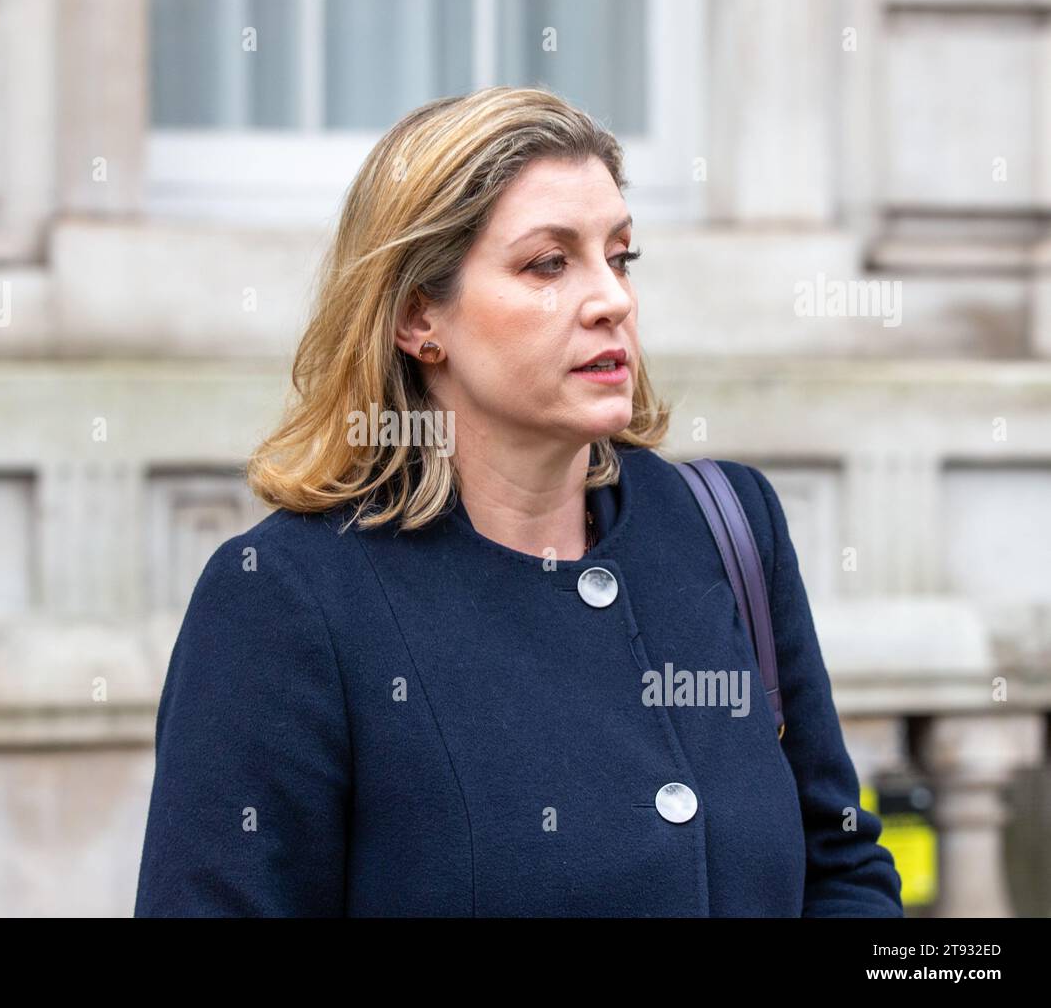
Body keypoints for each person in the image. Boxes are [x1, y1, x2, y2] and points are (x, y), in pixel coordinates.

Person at [134, 85, 904, 918]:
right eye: (548, 263)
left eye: (620, 255)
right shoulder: (286, 598)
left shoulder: (727, 527)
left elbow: (841, 867)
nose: (613, 298)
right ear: (417, 316)